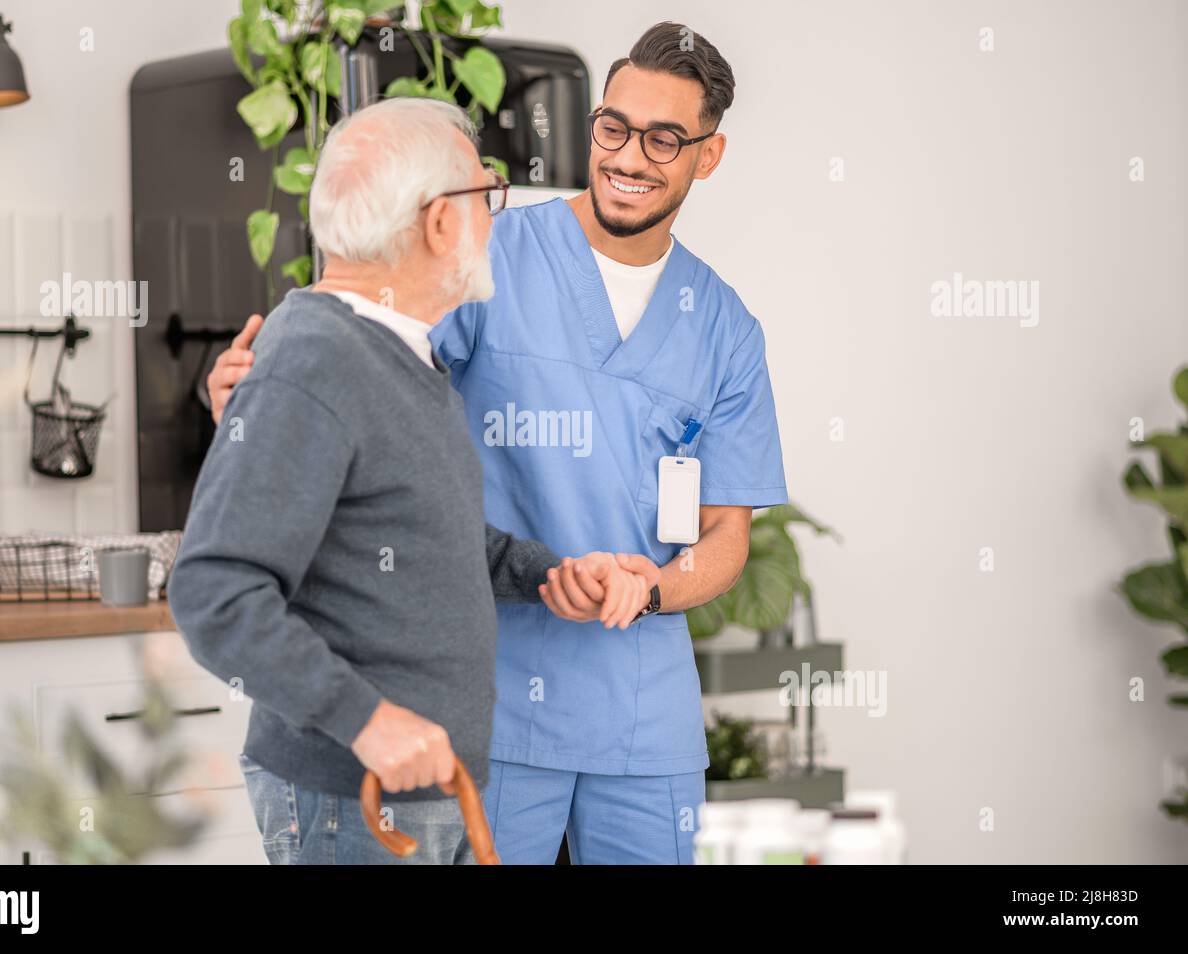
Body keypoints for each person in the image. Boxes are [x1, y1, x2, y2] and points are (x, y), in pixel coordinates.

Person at [207, 22, 787, 864]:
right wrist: (252, 397)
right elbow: (358, 359)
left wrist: (655, 589)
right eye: (613, 127)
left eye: (664, 138)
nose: (628, 155)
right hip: (498, 696)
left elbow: (727, 535)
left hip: (642, 720)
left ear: (709, 153)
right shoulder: (486, 253)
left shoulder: (726, 329)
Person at [168, 97, 658, 866]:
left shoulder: (398, 355)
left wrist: (553, 573)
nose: (497, 218)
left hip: (426, 799)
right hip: (350, 804)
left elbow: (427, 539)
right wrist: (369, 722)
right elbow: (211, 593)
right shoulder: (315, 360)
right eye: (486, 196)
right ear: (438, 223)